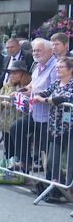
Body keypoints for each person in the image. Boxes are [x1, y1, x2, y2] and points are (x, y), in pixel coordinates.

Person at [8, 38, 57, 173]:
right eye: (34, 50)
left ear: (49, 51)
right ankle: (26, 163)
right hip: (35, 111)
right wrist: (22, 91)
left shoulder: (55, 66)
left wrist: (36, 95)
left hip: (49, 115)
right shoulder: (37, 65)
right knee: (15, 128)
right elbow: (32, 85)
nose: (35, 53)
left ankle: (56, 183)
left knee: (46, 148)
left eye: (38, 50)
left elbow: (55, 89)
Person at [33, 57, 73, 202]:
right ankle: (61, 188)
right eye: (57, 67)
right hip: (55, 127)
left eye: (61, 67)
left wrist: (44, 100)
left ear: (70, 69)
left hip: (69, 128)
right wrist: (37, 96)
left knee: (69, 163)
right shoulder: (56, 82)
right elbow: (47, 92)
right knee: (51, 161)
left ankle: (66, 189)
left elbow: (63, 99)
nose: (58, 69)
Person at [0, 60, 31, 163]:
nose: (12, 75)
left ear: (23, 74)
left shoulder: (28, 87)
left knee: (21, 149)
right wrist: (2, 103)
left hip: (21, 122)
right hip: (6, 122)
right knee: (8, 149)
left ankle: (23, 172)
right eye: (10, 73)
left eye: (15, 73)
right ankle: (9, 171)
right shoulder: (7, 86)